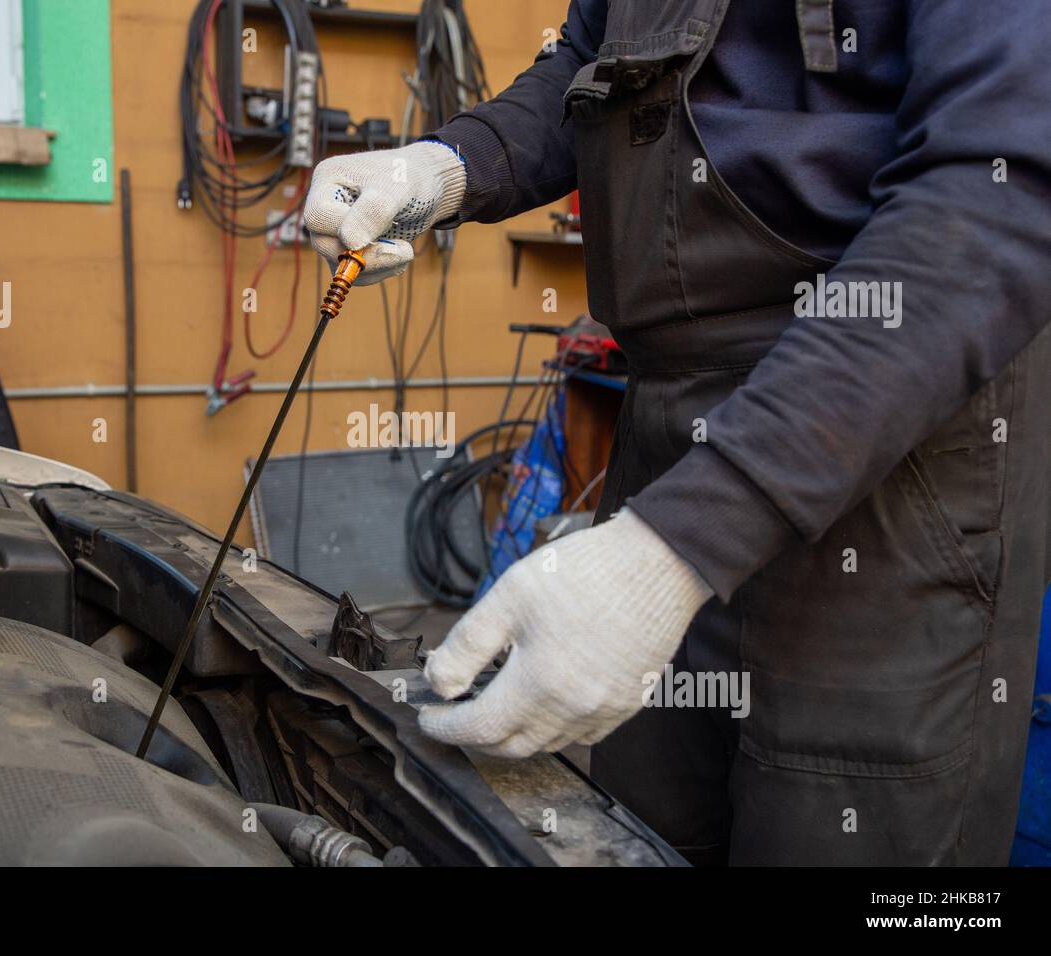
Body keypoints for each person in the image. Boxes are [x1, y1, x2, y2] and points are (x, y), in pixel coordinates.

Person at [303, 0, 1051, 865]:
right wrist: (448, 164)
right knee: (639, 836)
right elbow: (593, 61)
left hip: (886, 452)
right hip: (669, 428)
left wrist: (680, 543)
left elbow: (994, 196)